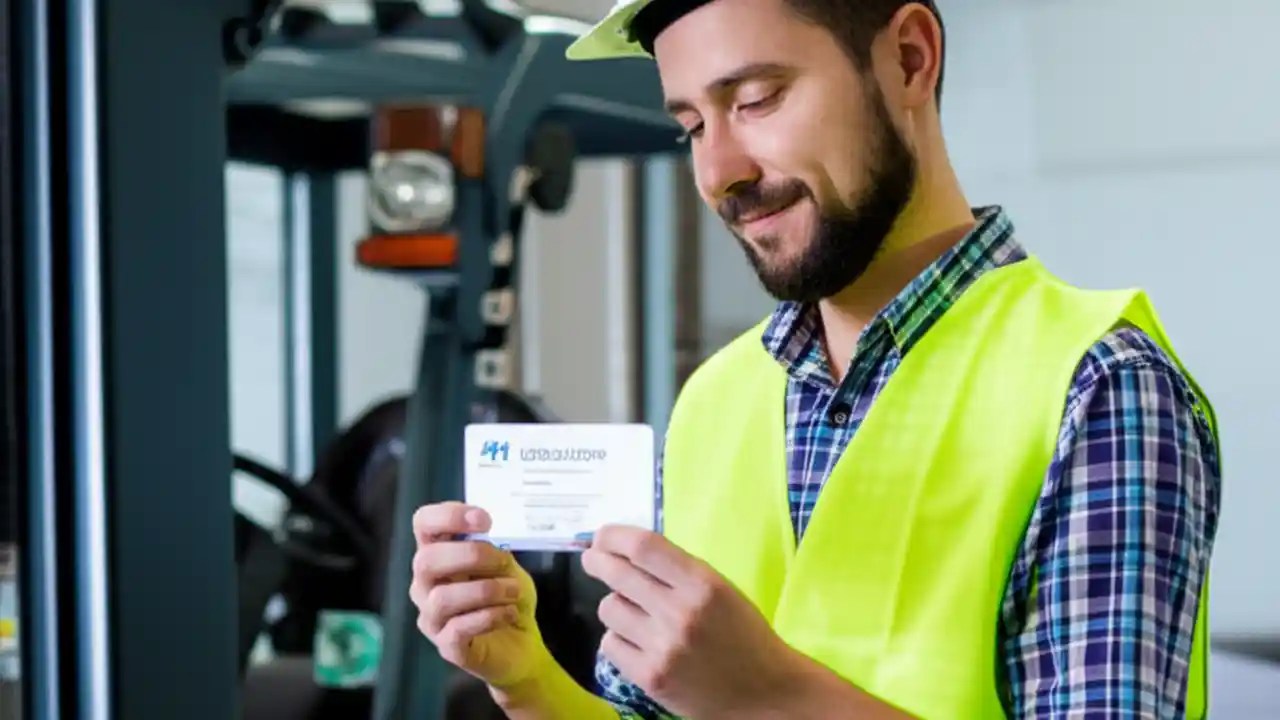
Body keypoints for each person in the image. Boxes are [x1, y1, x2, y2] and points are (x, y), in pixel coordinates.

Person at [408, 0, 1222, 717]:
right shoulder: (715, 402)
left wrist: (766, 699)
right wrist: (527, 680)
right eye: (691, 126)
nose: (718, 171)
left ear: (910, 59)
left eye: (756, 100)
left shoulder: (1099, 388)